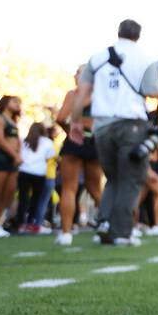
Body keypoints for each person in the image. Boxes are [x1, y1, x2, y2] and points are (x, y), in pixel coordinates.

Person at [71, 19, 158, 245]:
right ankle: (122, 232)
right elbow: (154, 91)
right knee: (131, 178)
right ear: (138, 35)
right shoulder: (145, 59)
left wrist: (75, 121)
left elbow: (82, 90)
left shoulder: (98, 58)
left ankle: (104, 223)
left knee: (113, 177)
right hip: (131, 124)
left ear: (119, 32)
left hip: (102, 126)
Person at [54, 65, 103, 246]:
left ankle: (66, 233)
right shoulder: (102, 96)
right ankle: (104, 228)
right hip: (94, 142)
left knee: (69, 188)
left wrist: (70, 131)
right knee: (96, 190)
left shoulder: (74, 94)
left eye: (78, 72)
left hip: (75, 141)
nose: (75, 75)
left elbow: (60, 117)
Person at [0, 95, 23, 238]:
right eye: (14, 101)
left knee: (8, 193)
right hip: (0, 157)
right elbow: (0, 140)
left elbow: (16, 141)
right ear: (5, 103)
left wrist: (18, 155)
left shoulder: (14, 122)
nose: (17, 104)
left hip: (12, 161)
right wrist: (15, 155)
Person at [15, 122, 55, 234]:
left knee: (23, 198)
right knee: (35, 199)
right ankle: (30, 223)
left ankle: (19, 223)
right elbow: (49, 157)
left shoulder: (24, 141)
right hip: (39, 173)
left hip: (24, 171)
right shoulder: (48, 142)